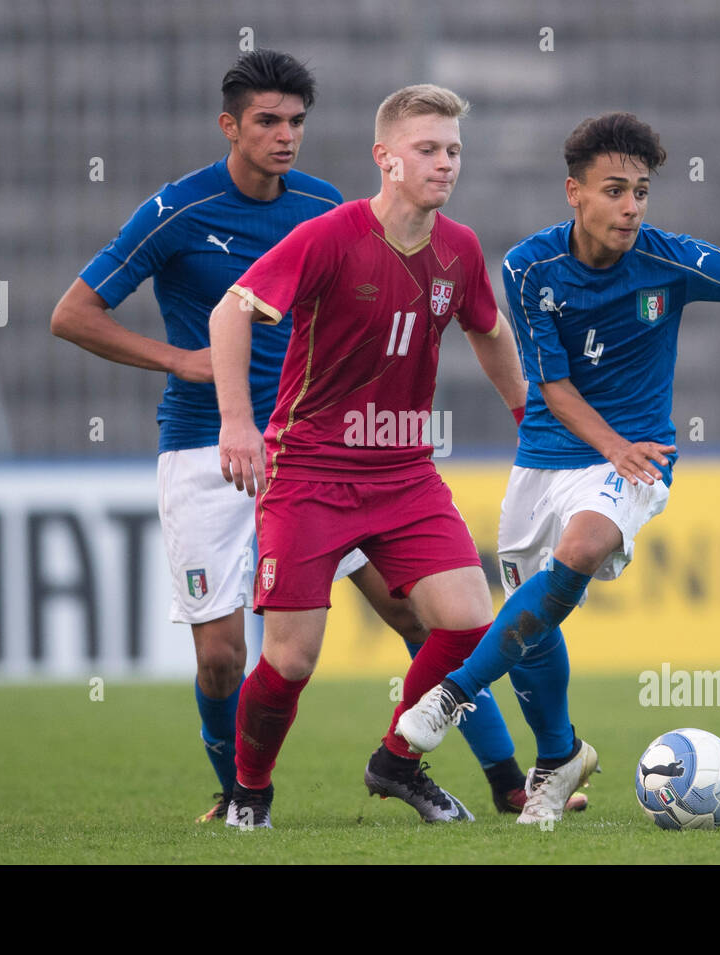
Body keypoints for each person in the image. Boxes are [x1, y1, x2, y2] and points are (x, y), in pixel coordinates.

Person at [52, 56, 536, 826]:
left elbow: (448, 312)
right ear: (231, 126)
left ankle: (495, 777)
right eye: (269, 121)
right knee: (232, 657)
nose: (286, 136)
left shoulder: (328, 208)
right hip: (215, 446)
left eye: (297, 121)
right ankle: (239, 790)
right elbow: (74, 313)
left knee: (437, 620)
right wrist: (189, 370)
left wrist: (517, 411)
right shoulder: (180, 210)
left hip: (360, 455)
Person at [399, 111, 720, 824]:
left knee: (577, 551)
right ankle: (558, 757)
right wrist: (607, 444)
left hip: (636, 459)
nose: (632, 206)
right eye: (615, 190)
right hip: (547, 460)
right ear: (574, 193)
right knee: (535, 617)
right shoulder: (528, 267)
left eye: (641, 191)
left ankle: (451, 693)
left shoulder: (667, 259)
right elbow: (554, 387)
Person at [210, 84, 532, 829]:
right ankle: (249, 792)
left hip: (404, 471)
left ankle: (396, 759)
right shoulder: (332, 236)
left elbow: (488, 328)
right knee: (291, 660)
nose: (444, 163)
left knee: (465, 620)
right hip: (310, 472)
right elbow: (233, 309)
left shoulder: (461, 247)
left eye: (453, 150)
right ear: (385, 158)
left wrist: (527, 413)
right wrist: (237, 423)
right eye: (427, 149)